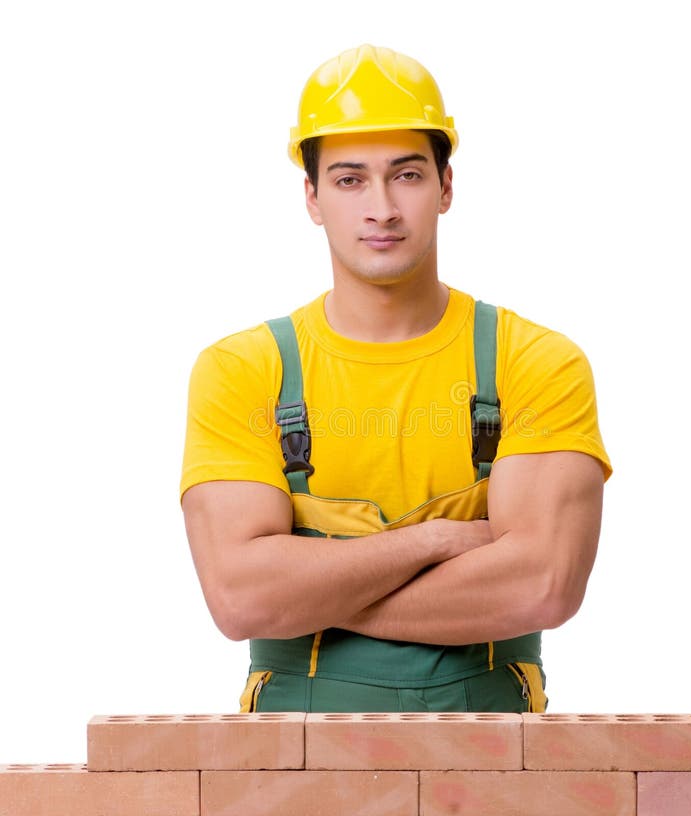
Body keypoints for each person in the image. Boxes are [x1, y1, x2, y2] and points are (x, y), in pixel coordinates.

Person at [180, 44, 612, 714]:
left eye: (406, 175)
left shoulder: (533, 361)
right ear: (313, 197)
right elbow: (241, 599)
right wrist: (435, 541)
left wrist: (306, 594)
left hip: (494, 750)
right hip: (291, 754)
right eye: (350, 180)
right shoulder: (244, 370)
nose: (381, 208)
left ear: (446, 186)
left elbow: (544, 585)